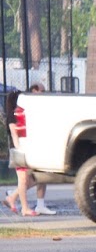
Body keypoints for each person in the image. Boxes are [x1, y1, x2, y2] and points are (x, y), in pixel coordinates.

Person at [4, 85, 55, 215]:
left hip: (28, 147)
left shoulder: (25, 112)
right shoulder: (14, 114)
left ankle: (13, 197)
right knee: (23, 179)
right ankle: (24, 207)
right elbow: (15, 135)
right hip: (20, 149)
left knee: (38, 177)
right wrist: (20, 151)